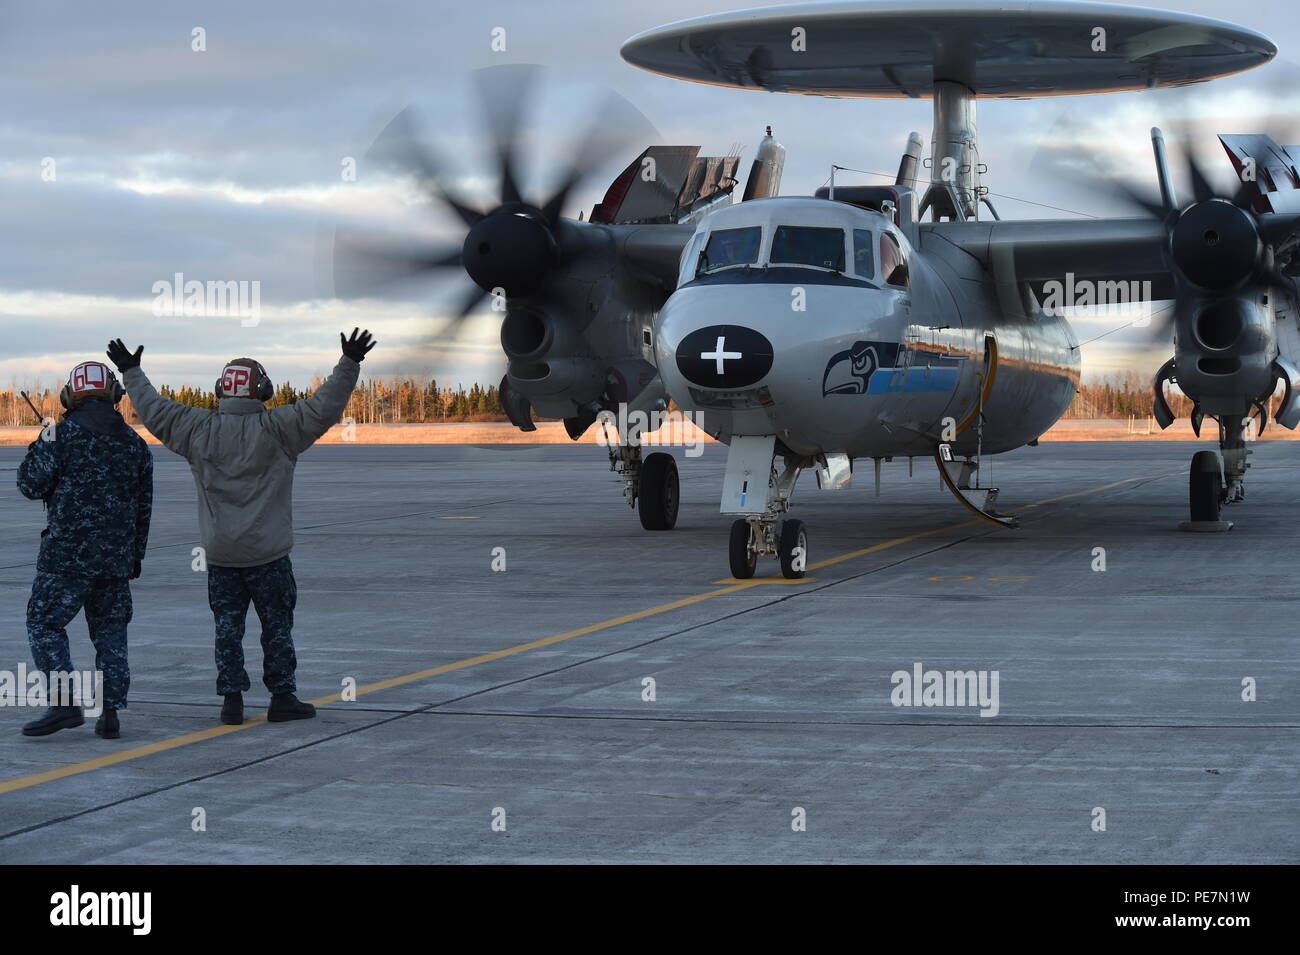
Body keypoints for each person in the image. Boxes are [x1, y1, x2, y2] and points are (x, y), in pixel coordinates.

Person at [106, 330, 376, 726]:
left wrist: (131, 372)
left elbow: (154, 410)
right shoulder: (280, 428)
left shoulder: (196, 428)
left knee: (226, 628)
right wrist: (349, 363)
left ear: (221, 390)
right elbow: (323, 407)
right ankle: (282, 697)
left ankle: (231, 701)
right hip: (268, 554)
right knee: (277, 626)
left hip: (220, 554)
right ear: (262, 391)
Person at [17, 361, 153, 739]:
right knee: (111, 633)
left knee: (44, 624)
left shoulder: (59, 436)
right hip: (115, 561)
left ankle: (64, 705)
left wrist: (40, 443)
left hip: (65, 559)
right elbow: (144, 509)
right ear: (114, 396)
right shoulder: (134, 443)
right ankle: (110, 714)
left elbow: (29, 485)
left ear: (69, 396)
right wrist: (134, 557)